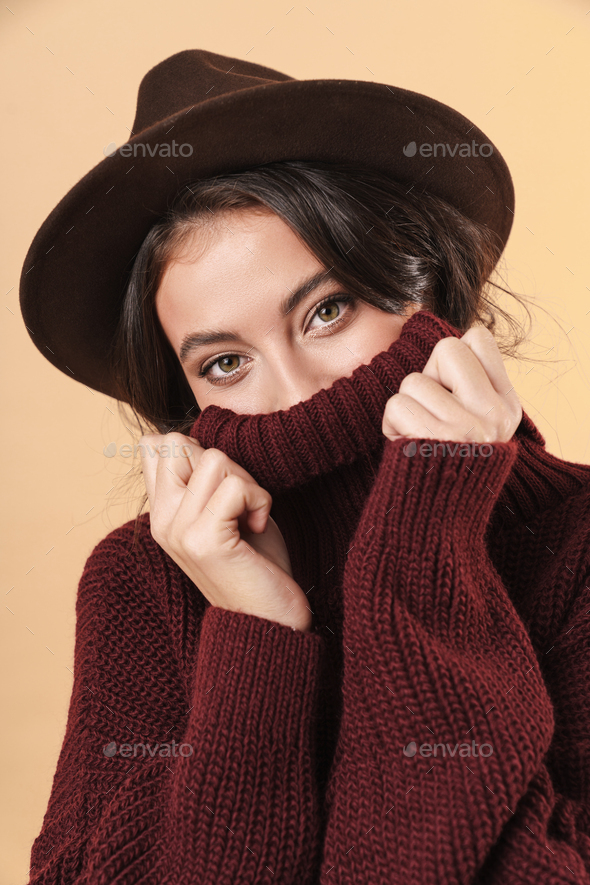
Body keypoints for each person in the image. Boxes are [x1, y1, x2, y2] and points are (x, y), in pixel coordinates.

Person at [19, 49, 590, 884]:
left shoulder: (575, 540)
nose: (295, 393)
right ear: (184, 401)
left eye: (327, 311)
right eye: (224, 363)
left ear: (427, 290)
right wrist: (253, 639)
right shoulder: (143, 582)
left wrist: (423, 552)